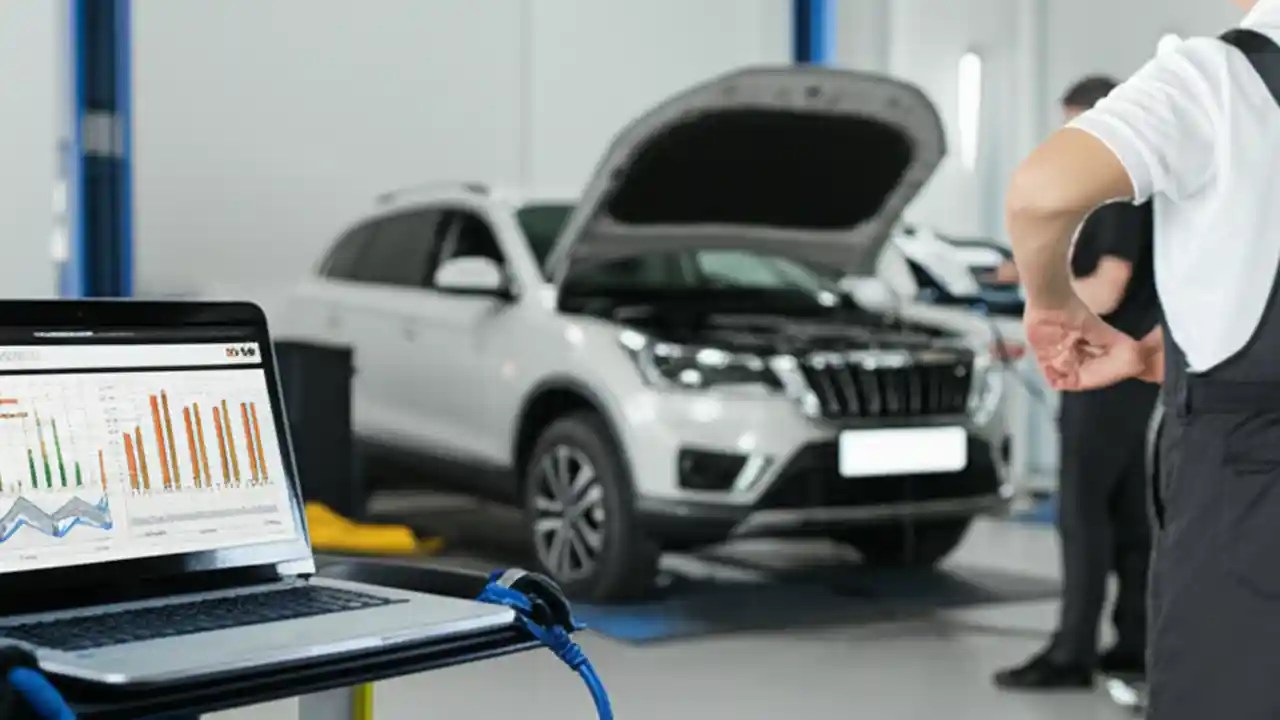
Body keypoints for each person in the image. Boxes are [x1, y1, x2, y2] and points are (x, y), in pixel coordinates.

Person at [1004, 1, 1280, 716]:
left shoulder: (1220, 75)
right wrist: (1187, 341)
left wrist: (1052, 299)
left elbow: (1041, 194)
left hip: (1250, 491)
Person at [994, 77, 1159, 691]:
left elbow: (1108, 287)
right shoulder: (1140, 189)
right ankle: (1135, 640)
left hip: (1105, 369)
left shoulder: (1112, 195)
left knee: (1083, 511)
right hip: (1133, 363)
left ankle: (1072, 651)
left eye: (1076, 123)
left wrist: (1044, 297)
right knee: (1127, 513)